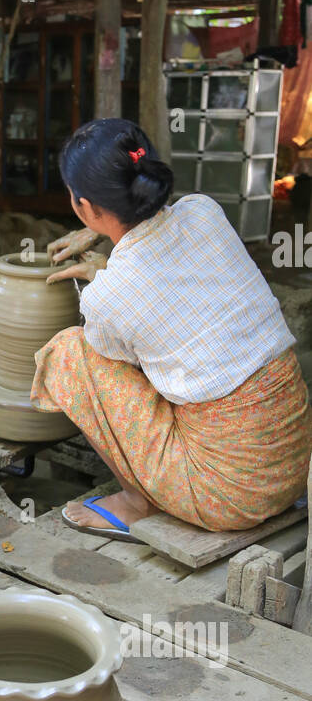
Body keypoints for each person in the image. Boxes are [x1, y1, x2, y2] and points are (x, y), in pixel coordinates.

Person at [30, 118, 312, 538]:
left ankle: (133, 503)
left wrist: (106, 275)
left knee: (71, 354)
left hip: (226, 495)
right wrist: (108, 255)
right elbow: (170, 285)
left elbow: (123, 360)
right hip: (291, 469)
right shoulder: (204, 210)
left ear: (85, 207)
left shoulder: (107, 299)